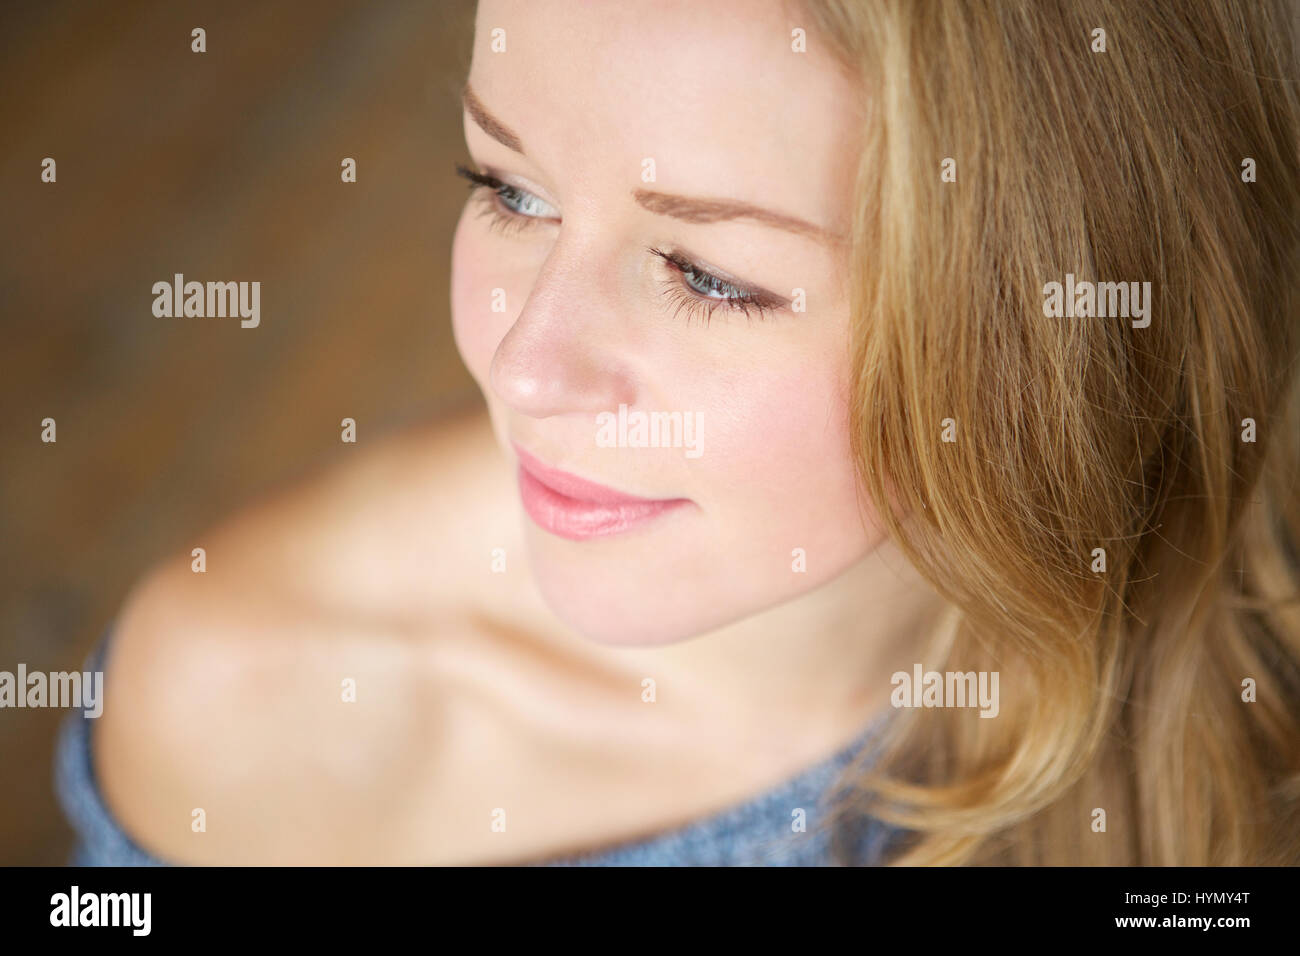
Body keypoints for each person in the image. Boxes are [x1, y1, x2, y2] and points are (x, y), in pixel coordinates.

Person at [57, 0, 1300, 865]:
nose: (526, 367)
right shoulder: (257, 705)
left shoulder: (1249, 603)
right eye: (507, 189)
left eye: (709, 275)